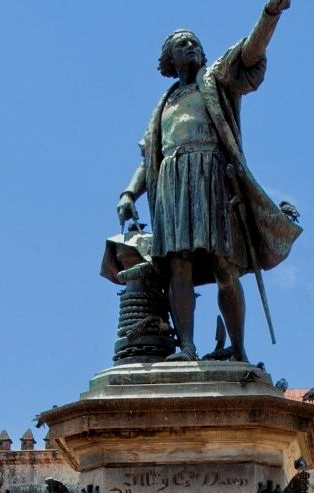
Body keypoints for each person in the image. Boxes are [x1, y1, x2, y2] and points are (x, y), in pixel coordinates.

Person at [116, 1, 300, 364]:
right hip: (171, 181)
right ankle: (186, 347)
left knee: (224, 266)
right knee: (178, 265)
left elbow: (250, 51)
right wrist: (128, 193)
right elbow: (149, 157)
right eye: (183, 43)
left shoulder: (215, 80)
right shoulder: (165, 104)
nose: (193, 46)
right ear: (170, 59)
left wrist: (270, 14)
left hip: (211, 176)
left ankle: (239, 349)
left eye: (195, 42)